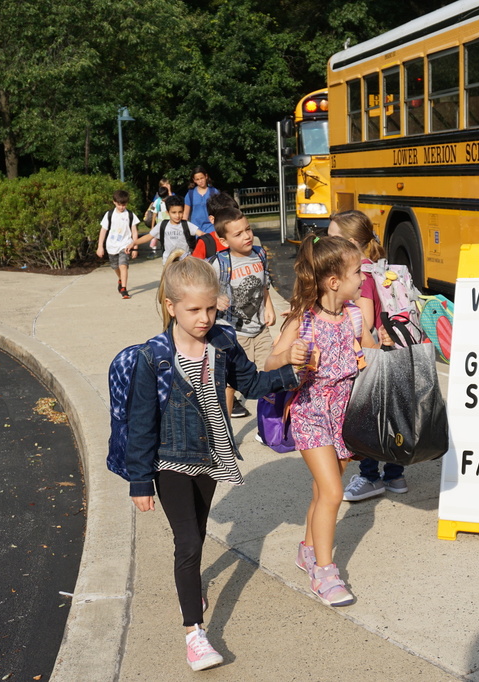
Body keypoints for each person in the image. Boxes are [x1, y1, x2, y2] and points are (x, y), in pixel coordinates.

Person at [126, 251, 307, 671]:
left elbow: (252, 383)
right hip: (169, 460)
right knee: (188, 542)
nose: (204, 318)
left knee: (199, 531)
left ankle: (190, 587)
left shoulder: (223, 342)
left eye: (210, 308)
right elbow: (141, 423)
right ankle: (195, 633)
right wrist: (139, 481)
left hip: (210, 455)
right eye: (194, 310)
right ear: (171, 306)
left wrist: (290, 372)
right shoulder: (153, 357)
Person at [265, 234, 386, 607]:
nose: (363, 278)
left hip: (345, 414)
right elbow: (269, 364)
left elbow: (373, 355)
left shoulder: (354, 315)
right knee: (333, 492)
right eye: (357, 272)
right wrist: (289, 356)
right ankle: (324, 571)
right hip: (312, 412)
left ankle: (307, 549)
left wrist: (381, 344)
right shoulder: (304, 320)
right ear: (334, 281)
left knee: (323, 490)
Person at [328, 210, 410, 501]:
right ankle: (395, 475)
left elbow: (363, 323)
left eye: (333, 237)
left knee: (367, 418)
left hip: (369, 354)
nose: (327, 242)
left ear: (351, 242)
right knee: (391, 416)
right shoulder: (379, 268)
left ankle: (369, 476)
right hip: (392, 351)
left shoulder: (358, 274)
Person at [210, 206, 275, 419]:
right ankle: (224, 430)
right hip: (235, 335)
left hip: (260, 330)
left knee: (269, 375)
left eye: (248, 229)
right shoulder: (220, 263)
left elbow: (263, 284)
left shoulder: (259, 254)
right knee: (231, 383)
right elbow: (200, 289)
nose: (247, 236)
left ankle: (269, 427)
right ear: (224, 241)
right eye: (238, 234)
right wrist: (214, 298)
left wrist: (269, 307)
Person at [96, 189, 141, 299]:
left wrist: (135, 247)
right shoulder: (109, 214)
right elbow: (103, 230)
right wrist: (100, 246)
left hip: (125, 245)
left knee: (123, 265)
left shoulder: (130, 215)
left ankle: (124, 289)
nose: (121, 207)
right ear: (114, 202)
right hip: (111, 246)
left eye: (124, 205)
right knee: (115, 266)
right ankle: (120, 279)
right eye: (119, 204)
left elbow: (134, 232)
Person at [132, 195, 202, 264]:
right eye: (174, 212)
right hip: (168, 262)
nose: (177, 215)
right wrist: (134, 243)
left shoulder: (187, 225)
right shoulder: (163, 225)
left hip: (184, 262)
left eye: (180, 212)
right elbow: (149, 236)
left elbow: (201, 234)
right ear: (167, 212)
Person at [190, 192, 237, 260]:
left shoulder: (242, 238)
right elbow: (195, 265)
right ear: (212, 219)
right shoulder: (206, 243)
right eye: (226, 217)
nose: (232, 220)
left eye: (235, 215)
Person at [183, 165, 220, 234]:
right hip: (196, 230)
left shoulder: (214, 192)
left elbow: (220, 212)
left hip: (211, 228)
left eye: (202, 178)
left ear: (206, 176)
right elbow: (185, 214)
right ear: (194, 180)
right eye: (197, 179)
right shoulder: (190, 194)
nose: (200, 181)